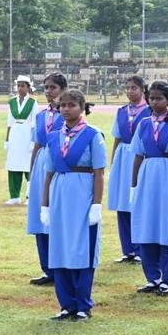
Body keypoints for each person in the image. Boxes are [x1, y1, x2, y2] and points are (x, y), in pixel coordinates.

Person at [41, 90, 106, 321]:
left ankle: (82, 304)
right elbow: (49, 172)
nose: (66, 109)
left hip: (82, 194)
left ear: (81, 107)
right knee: (59, 248)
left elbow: (99, 173)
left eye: (71, 105)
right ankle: (66, 303)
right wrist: (45, 205)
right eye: (62, 106)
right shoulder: (53, 137)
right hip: (59, 193)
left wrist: (96, 204)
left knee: (81, 249)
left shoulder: (92, 135)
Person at [130, 81, 168, 296]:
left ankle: (167, 278)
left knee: (165, 226)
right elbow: (137, 155)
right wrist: (134, 185)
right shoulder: (143, 124)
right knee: (147, 225)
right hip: (147, 176)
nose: (154, 102)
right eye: (151, 98)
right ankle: (152, 277)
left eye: (159, 98)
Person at [26, 73, 66, 286]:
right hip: (42, 165)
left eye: (53, 87)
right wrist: (31, 176)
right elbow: (37, 145)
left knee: (57, 215)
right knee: (39, 217)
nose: (49, 91)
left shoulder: (70, 113)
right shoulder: (41, 116)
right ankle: (47, 268)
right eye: (46, 87)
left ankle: (60, 265)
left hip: (59, 165)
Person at [108, 75, 150, 263]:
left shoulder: (149, 111)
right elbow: (117, 137)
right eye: (127, 88)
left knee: (138, 201)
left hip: (139, 157)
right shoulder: (122, 111)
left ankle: (141, 248)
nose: (130, 91)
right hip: (123, 156)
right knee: (122, 202)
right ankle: (128, 250)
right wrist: (113, 162)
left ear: (142, 90)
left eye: (134, 88)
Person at [4, 75, 37, 205]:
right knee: (13, 165)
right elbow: (9, 122)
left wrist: (33, 141)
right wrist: (7, 140)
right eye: (18, 85)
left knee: (28, 165)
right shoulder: (12, 101)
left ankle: (30, 196)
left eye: (23, 86)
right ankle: (14, 196)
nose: (20, 88)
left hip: (27, 133)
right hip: (15, 135)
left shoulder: (33, 102)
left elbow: (35, 122)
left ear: (28, 87)